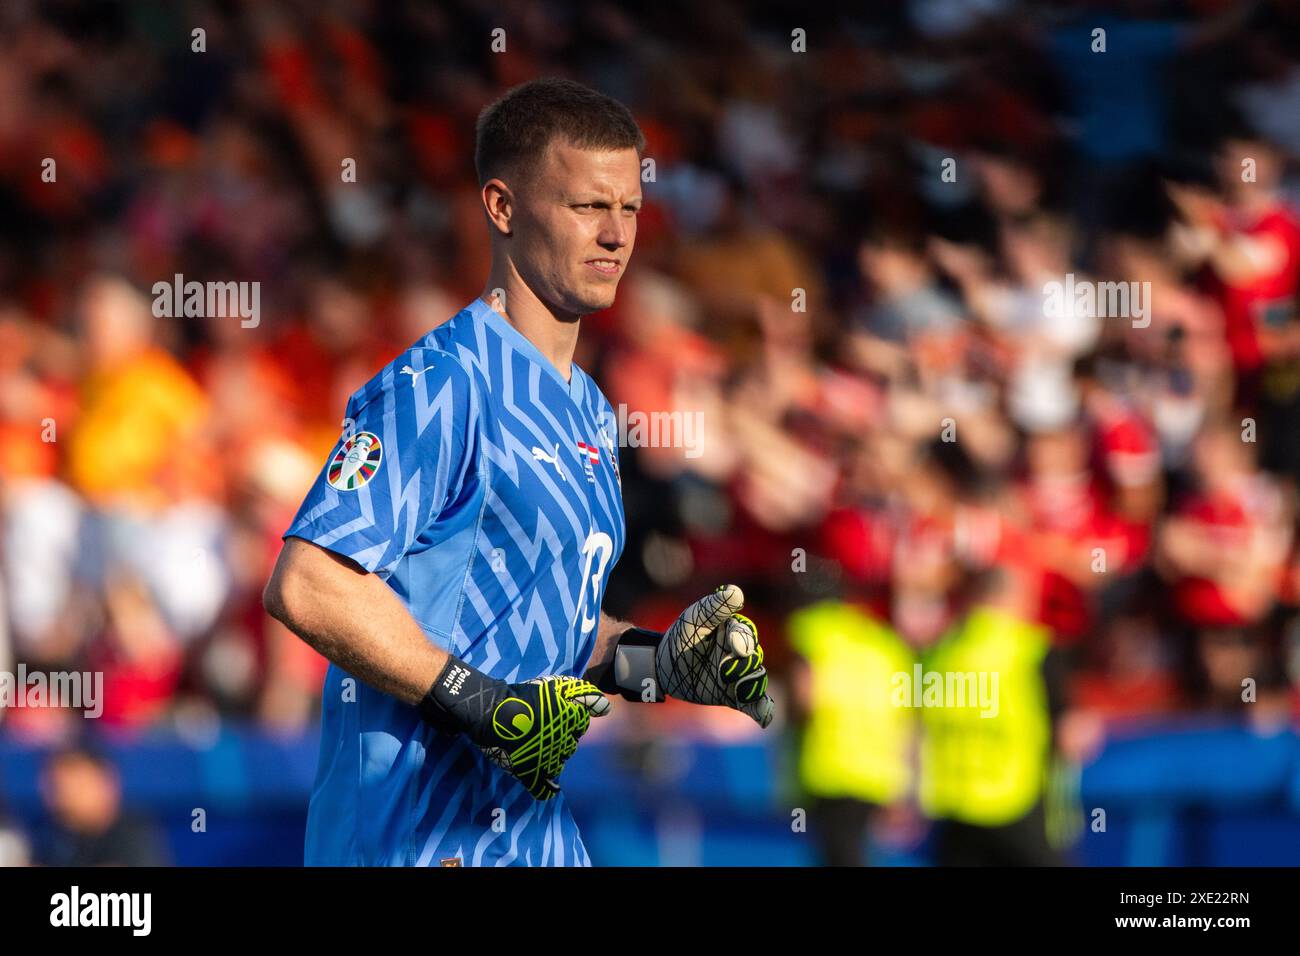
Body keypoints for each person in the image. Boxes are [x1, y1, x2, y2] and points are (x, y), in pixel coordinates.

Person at [263, 78, 775, 867]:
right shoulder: (441, 383)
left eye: (630, 208)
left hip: (533, 842)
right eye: (586, 206)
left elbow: (552, 629)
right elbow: (310, 581)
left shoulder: (592, 411)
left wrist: (660, 661)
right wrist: (484, 706)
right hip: (416, 842)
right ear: (502, 207)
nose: (615, 235)